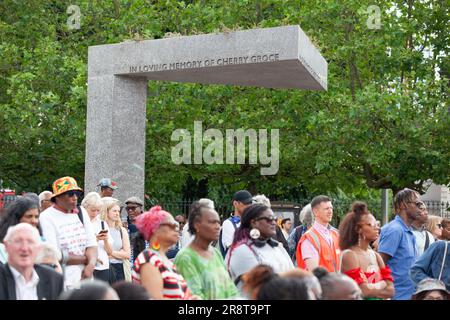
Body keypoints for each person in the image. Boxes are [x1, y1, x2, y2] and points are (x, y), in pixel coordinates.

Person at [39, 176, 98, 289]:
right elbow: (54, 254)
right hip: (64, 282)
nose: (75, 197)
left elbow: (92, 245)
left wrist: (90, 265)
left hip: (86, 282)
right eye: (70, 194)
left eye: (77, 193)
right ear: (58, 197)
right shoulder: (46, 217)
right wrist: (84, 259)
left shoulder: (81, 212)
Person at [174, 202, 239, 299]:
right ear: (197, 225)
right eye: (212, 222)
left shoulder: (215, 253)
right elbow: (194, 296)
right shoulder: (186, 258)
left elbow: (230, 289)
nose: (218, 227)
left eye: (218, 222)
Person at [226, 204, 294, 290]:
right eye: (269, 219)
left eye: (275, 219)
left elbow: (292, 272)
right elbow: (261, 286)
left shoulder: (277, 247)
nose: (274, 223)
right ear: (254, 222)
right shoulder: (242, 251)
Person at [132, 206, 194, 299]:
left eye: (176, 225)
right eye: (172, 225)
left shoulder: (166, 261)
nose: (177, 228)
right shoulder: (149, 260)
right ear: (155, 229)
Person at [338, 201, 394, 299]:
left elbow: (391, 291)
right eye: (371, 224)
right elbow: (363, 291)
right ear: (358, 229)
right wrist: (383, 283)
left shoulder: (376, 256)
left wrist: (371, 287)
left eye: (377, 224)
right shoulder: (350, 255)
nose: (377, 228)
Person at [0, 223, 64, 300]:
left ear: (38, 248)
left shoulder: (53, 279)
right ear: (6, 246)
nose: (24, 248)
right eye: (18, 241)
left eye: (30, 242)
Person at [378, 188, 421, 300]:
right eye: (417, 203)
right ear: (403, 205)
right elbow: (380, 263)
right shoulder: (395, 230)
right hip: (396, 296)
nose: (420, 208)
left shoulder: (409, 231)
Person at [296, 195, 340, 272]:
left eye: (331, 208)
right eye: (326, 209)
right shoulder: (309, 238)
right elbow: (314, 272)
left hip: (336, 282)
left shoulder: (336, 234)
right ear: (315, 212)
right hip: (321, 283)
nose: (330, 211)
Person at [0, 197, 42, 264]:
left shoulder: (41, 240)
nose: (34, 221)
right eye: (29, 216)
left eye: (36, 217)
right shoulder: (3, 246)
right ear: (17, 218)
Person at [81, 192, 112, 283]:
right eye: (92, 210)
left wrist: (105, 240)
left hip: (103, 267)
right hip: (86, 266)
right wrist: (95, 239)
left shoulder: (102, 224)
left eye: (98, 210)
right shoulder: (79, 222)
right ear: (84, 207)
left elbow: (110, 252)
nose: (95, 213)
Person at [101, 197, 130, 283]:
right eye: (114, 211)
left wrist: (110, 253)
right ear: (106, 212)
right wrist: (119, 253)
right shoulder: (100, 229)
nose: (117, 213)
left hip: (119, 269)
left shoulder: (122, 230)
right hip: (103, 269)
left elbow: (127, 254)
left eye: (118, 211)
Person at [219, 190, 253, 258]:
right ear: (235, 203)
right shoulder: (228, 224)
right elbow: (233, 249)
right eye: (245, 203)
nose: (249, 206)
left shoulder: (252, 222)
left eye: (250, 203)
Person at [124, 196, 146, 265]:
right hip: (128, 264)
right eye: (128, 209)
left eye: (133, 208)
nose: (130, 210)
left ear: (140, 208)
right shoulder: (123, 224)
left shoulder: (148, 223)